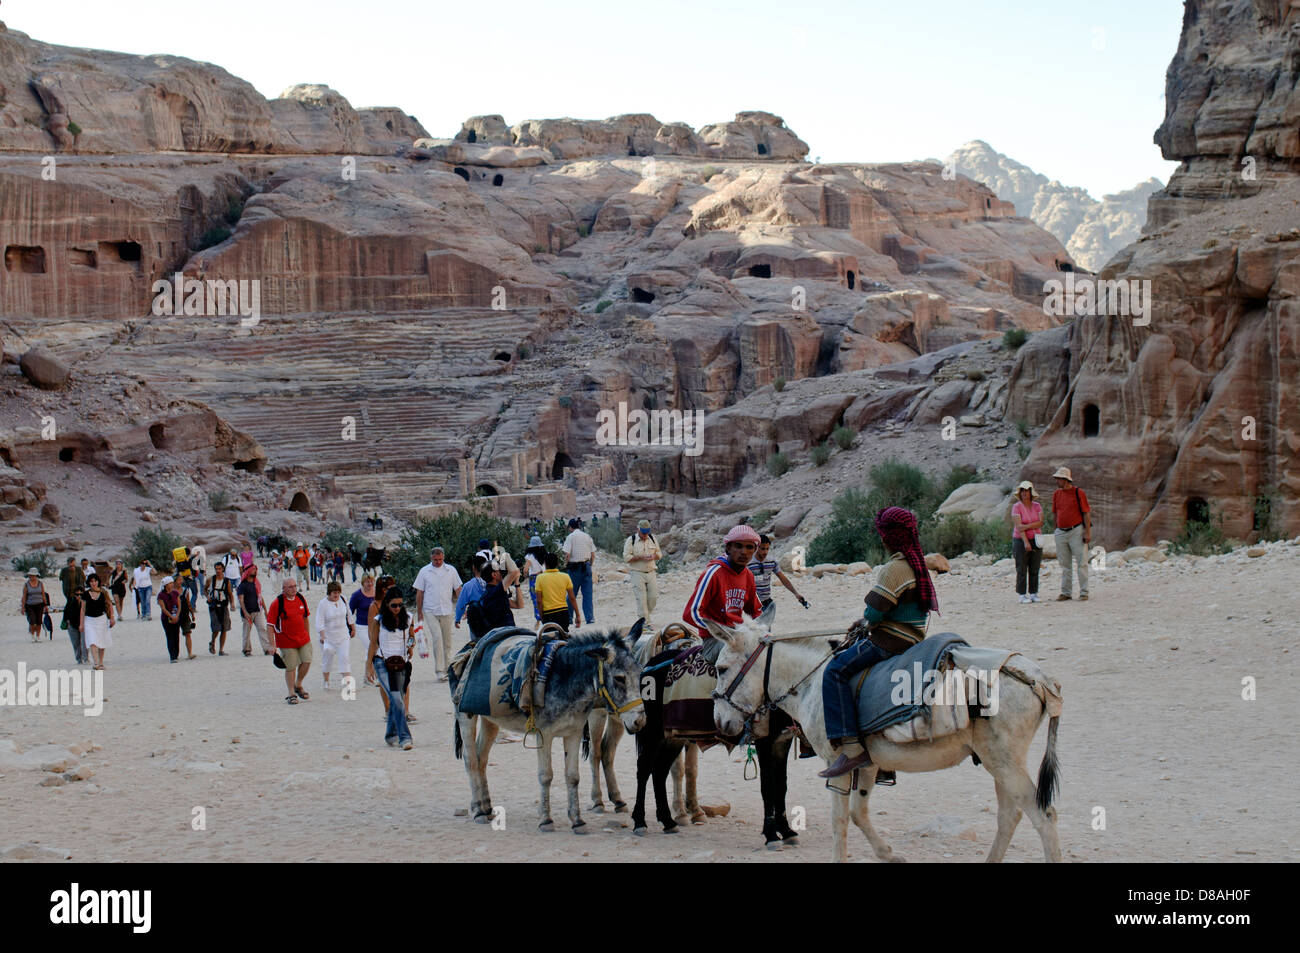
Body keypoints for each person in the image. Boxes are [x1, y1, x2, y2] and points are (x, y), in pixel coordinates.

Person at [819, 507, 939, 779]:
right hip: (913, 639)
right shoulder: (916, 563)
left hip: (890, 640)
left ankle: (851, 749)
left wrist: (865, 623)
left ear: (887, 537)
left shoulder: (894, 568)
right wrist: (866, 623)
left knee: (835, 671)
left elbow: (875, 613)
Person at [683, 524, 764, 649]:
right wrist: (720, 631)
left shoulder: (748, 575)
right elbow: (691, 613)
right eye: (738, 546)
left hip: (738, 634)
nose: (744, 552)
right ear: (728, 549)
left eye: (749, 547)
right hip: (714, 639)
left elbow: (755, 611)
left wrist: (761, 630)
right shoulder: (714, 573)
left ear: (754, 551)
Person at [365, 584, 414, 749]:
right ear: (387, 604)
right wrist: (368, 667)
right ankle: (405, 737)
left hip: (401, 662)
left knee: (396, 700)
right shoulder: (378, 621)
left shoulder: (408, 617)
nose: (397, 608)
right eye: (394, 605)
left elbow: (412, 636)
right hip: (381, 662)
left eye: (400, 604)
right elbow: (373, 644)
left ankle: (390, 734)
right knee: (397, 699)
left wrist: (411, 646)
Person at [413, 547, 462, 681]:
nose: (438, 562)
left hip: (446, 610)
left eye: (440, 559)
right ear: (431, 558)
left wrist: (462, 607)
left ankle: (448, 669)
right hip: (430, 610)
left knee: (447, 642)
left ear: (443, 558)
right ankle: (439, 670)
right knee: (437, 639)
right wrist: (419, 612)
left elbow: (458, 589)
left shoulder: (451, 570)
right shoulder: (424, 571)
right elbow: (419, 592)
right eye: (435, 560)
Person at [267, 579, 312, 704]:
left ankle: (298, 684)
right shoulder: (277, 603)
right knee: (291, 666)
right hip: (286, 640)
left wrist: (307, 634)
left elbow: (305, 617)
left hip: (303, 638)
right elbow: (270, 625)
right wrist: (272, 644)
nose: (293, 589)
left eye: (294, 586)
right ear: (284, 588)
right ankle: (291, 693)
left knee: (307, 660)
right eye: (290, 587)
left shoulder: (300, 598)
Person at [1051, 466, 1091, 601]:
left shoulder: (1078, 493)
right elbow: (1055, 513)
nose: (1057, 481)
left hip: (1076, 530)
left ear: (1066, 480)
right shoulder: (1057, 494)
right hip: (1061, 532)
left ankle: (1084, 592)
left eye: (1059, 479)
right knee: (1065, 564)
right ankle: (1066, 592)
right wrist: (1056, 529)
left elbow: (1086, 513)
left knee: (1081, 562)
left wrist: (1087, 532)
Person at [751, 535, 808, 610]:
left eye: (767, 549)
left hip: (766, 603)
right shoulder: (748, 563)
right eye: (763, 549)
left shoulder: (772, 562)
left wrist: (796, 593)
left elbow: (783, 578)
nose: (765, 552)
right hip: (751, 603)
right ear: (756, 548)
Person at [623, 519, 663, 627]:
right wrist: (639, 557)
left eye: (647, 533)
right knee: (641, 599)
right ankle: (646, 623)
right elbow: (626, 558)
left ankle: (645, 616)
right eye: (643, 533)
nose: (645, 535)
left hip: (651, 572)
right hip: (637, 573)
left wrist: (654, 556)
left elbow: (659, 553)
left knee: (653, 597)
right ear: (638, 529)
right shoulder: (631, 540)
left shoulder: (652, 538)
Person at [316, 580, 355, 690]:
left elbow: (349, 614)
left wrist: (352, 627)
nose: (336, 595)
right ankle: (326, 680)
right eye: (334, 592)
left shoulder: (343, 599)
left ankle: (348, 684)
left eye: (338, 592)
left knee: (344, 657)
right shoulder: (323, 604)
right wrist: (322, 635)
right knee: (327, 658)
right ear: (329, 593)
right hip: (328, 637)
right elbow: (319, 621)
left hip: (343, 635)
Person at [1011, 480, 1044, 604]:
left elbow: (1041, 522)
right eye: (1022, 491)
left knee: (1035, 566)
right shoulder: (1016, 507)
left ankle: (1034, 593)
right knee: (1021, 567)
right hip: (1021, 540)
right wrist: (1026, 541)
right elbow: (1019, 527)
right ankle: (1022, 594)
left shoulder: (1037, 506)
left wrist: (1026, 526)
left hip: (1036, 539)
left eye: (1027, 491)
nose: (1025, 493)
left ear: (1031, 492)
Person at [534, 551, 580, 633]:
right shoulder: (565, 576)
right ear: (557, 563)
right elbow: (572, 598)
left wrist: (541, 616)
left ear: (545, 564)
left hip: (548, 614)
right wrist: (578, 615)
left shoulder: (540, 578)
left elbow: (539, 601)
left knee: (550, 638)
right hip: (563, 613)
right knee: (564, 636)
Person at [562, 517, 597, 623]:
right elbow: (593, 554)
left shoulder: (570, 537)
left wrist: (566, 564)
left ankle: (569, 618)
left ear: (570, 527)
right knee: (587, 594)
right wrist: (589, 564)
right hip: (586, 566)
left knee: (572, 594)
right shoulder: (587, 536)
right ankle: (589, 618)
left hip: (574, 567)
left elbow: (567, 554)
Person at [81, 573, 116, 670]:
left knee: (102, 641)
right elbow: (83, 609)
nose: (93, 583)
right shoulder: (85, 594)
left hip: (102, 619)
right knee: (92, 641)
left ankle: (100, 662)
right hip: (89, 620)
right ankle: (96, 663)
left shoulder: (103, 592)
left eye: (95, 581)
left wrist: (112, 617)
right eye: (91, 581)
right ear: (89, 583)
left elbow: (109, 605)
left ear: (98, 582)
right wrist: (81, 623)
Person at [237, 563, 271, 656]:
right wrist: (245, 612)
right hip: (248, 611)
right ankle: (246, 650)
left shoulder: (256, 583)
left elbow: (260, 596)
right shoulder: (242, 585)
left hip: (258, 610)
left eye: (255, 570)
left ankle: (267, 649)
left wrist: (265, 610)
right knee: (247, 631)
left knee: (262, 629)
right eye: (253, 570)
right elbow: (241, 600)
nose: (255, 571)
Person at [60, 556, 87, 662]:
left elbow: (83, 579)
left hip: (79, 591)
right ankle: (79, 658)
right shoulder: (64, 571)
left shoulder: (79, 570)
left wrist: (80, 592)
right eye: (70, 564)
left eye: (73, 564)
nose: (71, 566)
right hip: (70, 594)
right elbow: (62, 579)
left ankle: (85, 657)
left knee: (84, 640)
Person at [205, 561, 234, 655]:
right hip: (213, 605)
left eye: (219, 569)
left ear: (223, 569)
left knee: (224, 628)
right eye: (216, 569)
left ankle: (221, 649)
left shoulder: (227, 581)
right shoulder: (210, 579)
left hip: (224, 605)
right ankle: (212, 642)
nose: (218, 571)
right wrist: (208, 597)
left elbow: (230, 593)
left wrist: (232, 603)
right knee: (216, 627)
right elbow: (205, 589)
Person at [158, 576, 188, 662]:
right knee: (170, 636)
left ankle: (176, 653)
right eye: (170, 583)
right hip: (166, 618)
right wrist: (171, 616)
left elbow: (179, 605)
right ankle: (172, 656)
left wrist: (177, 615)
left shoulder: (175, 593)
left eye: (172, 583)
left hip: (176, 616)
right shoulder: (161, 595)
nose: (171, 585)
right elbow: (163, 608)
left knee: (176, 636)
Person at [20, 567, 50, 642]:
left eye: (34, 575)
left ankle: (38, 636)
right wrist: (23, 607)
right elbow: (24, 596)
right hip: (30, 605)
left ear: (36, 576)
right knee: (32, 621)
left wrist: (46, 605)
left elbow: (43, 594)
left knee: (39, 621)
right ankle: (33, 635)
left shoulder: (40, 583)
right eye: (31, 575)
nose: (32, 577)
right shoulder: (26, 585)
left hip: (40, 604)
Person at [522, 535, 547, 622]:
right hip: (544, 576)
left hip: (534, 578)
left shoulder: (530, 556)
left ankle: (538, 615)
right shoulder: (545, 554)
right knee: (544, 596)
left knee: (535, 598)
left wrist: (524, 574)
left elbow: (526, 569)